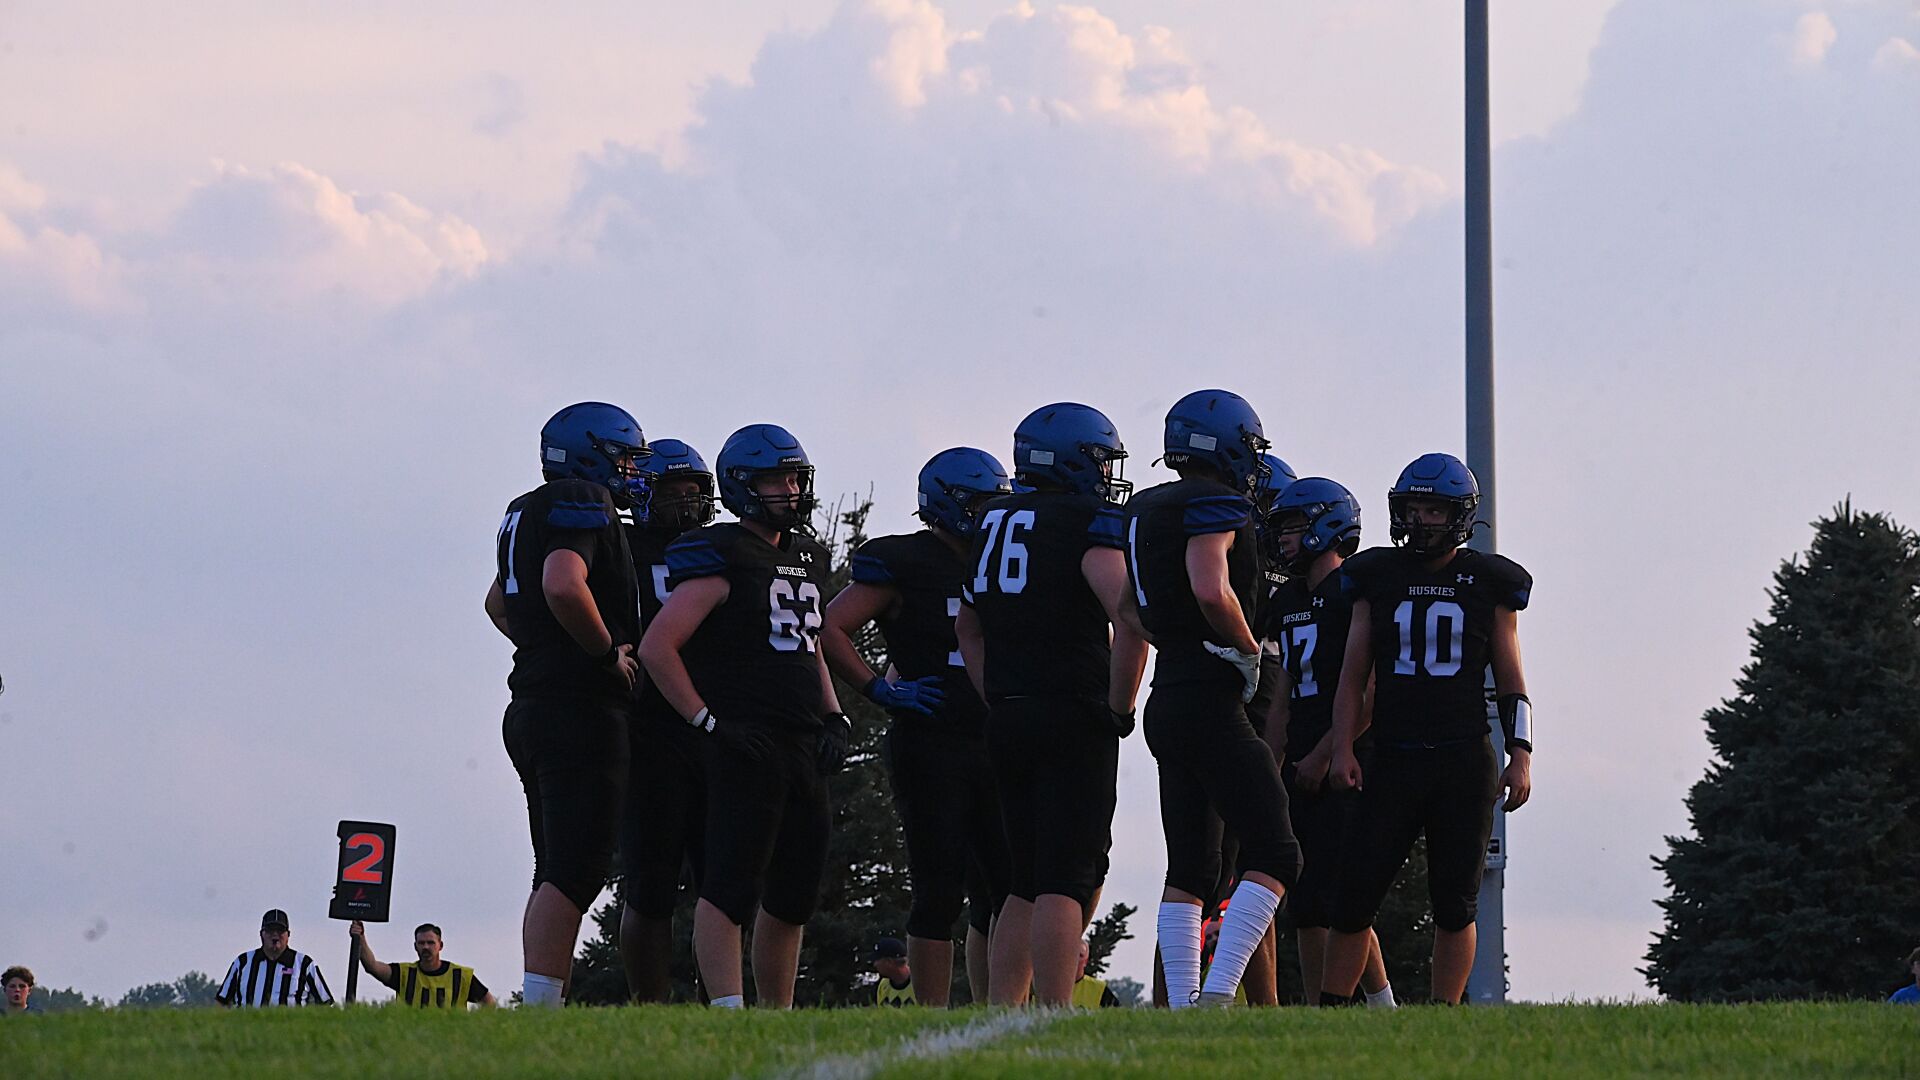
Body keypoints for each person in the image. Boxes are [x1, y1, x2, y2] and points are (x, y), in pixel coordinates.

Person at [639, 424, 848, 1009]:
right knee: (730, 887)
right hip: (746, 739)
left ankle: (774, 1014)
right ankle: (730, 1009)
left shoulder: (805, 556)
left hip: (802, 738)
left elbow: (805, 644)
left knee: (794, 893)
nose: (790, 488)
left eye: (795, 477)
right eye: (777, 478)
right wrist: (707, 722)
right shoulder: (723, 552)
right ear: (741, 485)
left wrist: (834, 716)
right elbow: (659, 646)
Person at [1320, 453, 1534, 1006]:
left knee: (1454, 902)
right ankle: (1330, 1014)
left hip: (1463, 759)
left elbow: (1511, 679)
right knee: (1353, 897)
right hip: (1392, 755)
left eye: (1433, 510)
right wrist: (1343, 746)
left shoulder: (1489, 583)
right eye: (1413, 507)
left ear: (1459, 516)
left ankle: (1442, 1015)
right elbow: (1353, 675)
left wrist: (1522, 752)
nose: (1420, 520)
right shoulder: (1377, 575)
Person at [957, 401, 1147, 1006]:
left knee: (1022, 881)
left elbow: (968, 628)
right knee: (1067, 877)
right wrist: (1119, 705)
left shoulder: (990, 520)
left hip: (1009, 712)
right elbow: (1130, 615)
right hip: (1071, 711)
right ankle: (1056, 1012)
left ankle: (1003, 1012)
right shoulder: (1085, 519)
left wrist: (997, 695)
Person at [1123, 389, 1300, 1009]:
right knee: (1277, 851)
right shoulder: (1216, 502)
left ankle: (1183, 1006)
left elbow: (1125, 608)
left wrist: (1172, 639)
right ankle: (1220, 993)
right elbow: (1209, 585)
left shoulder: (1145, 508)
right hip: (1211, 698)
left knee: (1191, 870)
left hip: (1167, 694)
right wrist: (1248, 648)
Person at [822, 447, 1014, 1006]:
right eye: (978, 503)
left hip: (994, 737)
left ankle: (999, 1008)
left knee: (1008, 887)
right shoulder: (907, 561)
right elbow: (830, 626)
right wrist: (877, 688)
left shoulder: (1001, 555)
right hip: (931, 742)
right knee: (938, 887)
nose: (987, 514)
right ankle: (930, 1014)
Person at [486, 402, 648, 1008]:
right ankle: (541, 1007)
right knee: (575, 868)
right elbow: (561, 582)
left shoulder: (525, 510)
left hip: (532, 701)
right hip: (577, 706)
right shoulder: (583, 497)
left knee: (554, 863)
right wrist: (605, 654)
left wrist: (546, 648)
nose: (633, 471)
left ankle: (541, 999)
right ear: (590, 454)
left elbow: (498, 605)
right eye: (626, 458)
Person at [1262, 476, 1394, 1007]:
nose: (1284, 538)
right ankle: (1331, 1007)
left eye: (1293, 526)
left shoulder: (1354, 592)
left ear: (1326, 525)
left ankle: (1366, 1002)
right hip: (1303, 759)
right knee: (1308, 900)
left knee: (1342, 898)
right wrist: (1270, 762)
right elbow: (1285, 695)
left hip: (1351, 757)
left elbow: (1372, 688)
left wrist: (1326, 752)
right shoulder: (1288, 600)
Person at [618, 438, 718, 1004]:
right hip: (648, 728)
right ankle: (648, 1007)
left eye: (693, 490)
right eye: (671, 490)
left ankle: (718, 997)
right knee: (650, 884)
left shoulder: (724, 546)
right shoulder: (619, 544)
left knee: (721, 885)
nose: (684, 502)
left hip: (715, 725)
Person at [349, 920, 495, 1009]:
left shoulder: (461, 976)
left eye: (430, 943)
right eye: (421, 943)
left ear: (440, 945)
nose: (426, 947)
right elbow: (372, 966)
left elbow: (489, 1002)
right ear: (415, 946)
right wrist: (360, 938)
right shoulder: (404, 974)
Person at [216, 909, 334, 1007]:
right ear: (261, 934)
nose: (275, 935)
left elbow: (326, 1002)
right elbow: (221, 1001)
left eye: (280, 930)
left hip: (289, 1032)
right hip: (247, 1031)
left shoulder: (304, 964)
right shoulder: (243, 962)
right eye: (270, 930)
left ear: (288, 935)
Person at [1070, 939, 1121, 1009]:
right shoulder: (1050, 985)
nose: (1075, 959)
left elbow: (1118, 1016)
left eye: (1080, 955)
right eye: (1072, 954)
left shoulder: (1099, 989)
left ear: (1085, 961)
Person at [871, 937, 916, 1006]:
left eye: (877, 960)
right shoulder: (883, 985)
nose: (874, 964)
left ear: (889, 962)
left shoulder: (921, 983)